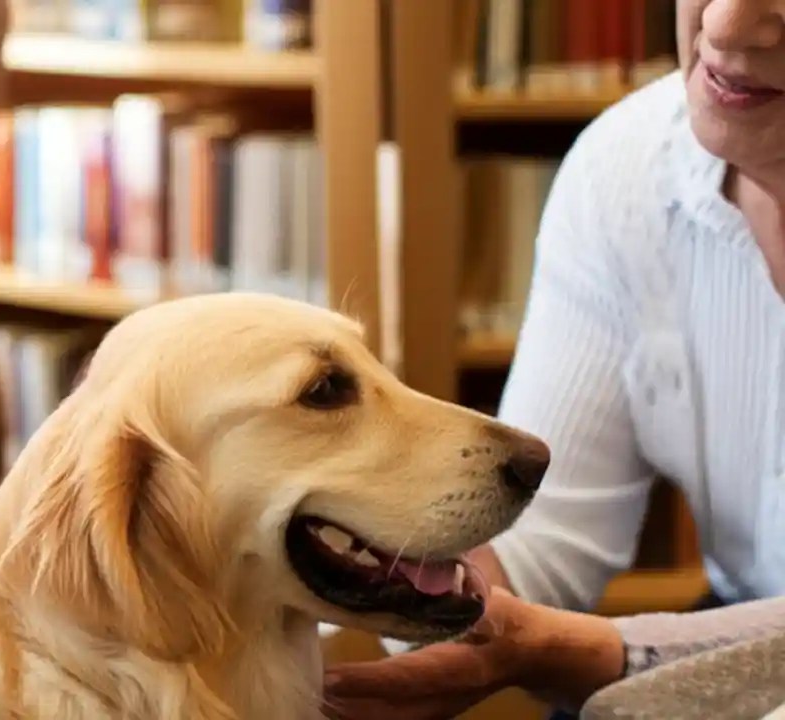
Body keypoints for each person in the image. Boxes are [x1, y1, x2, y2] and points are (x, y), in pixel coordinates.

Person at [323, 0, 785, 717]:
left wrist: (587, 653)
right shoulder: (626, 168)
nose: (722, 27)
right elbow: (541, 539)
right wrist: (416, 571)